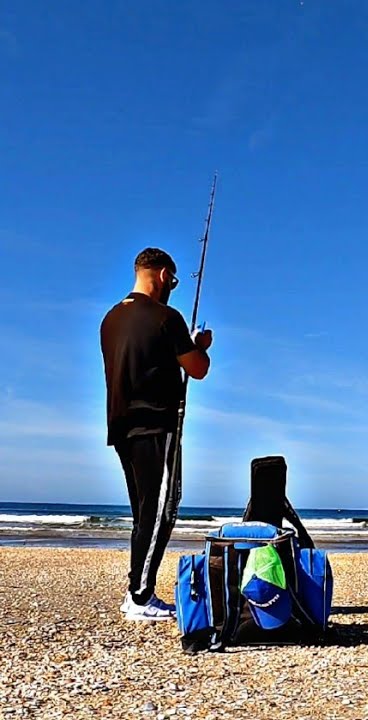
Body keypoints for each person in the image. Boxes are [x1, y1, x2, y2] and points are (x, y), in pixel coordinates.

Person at [100, 248, 213, 621]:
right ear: (164, 275)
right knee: (161, 512)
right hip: (156, 426)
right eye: (174, 282)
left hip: (120, 427)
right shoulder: (167, 318)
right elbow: (197, 369)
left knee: (143, 512)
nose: (173, 288)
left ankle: (137, 588)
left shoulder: (110, 320)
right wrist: (200, 346)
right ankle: (140, 595)